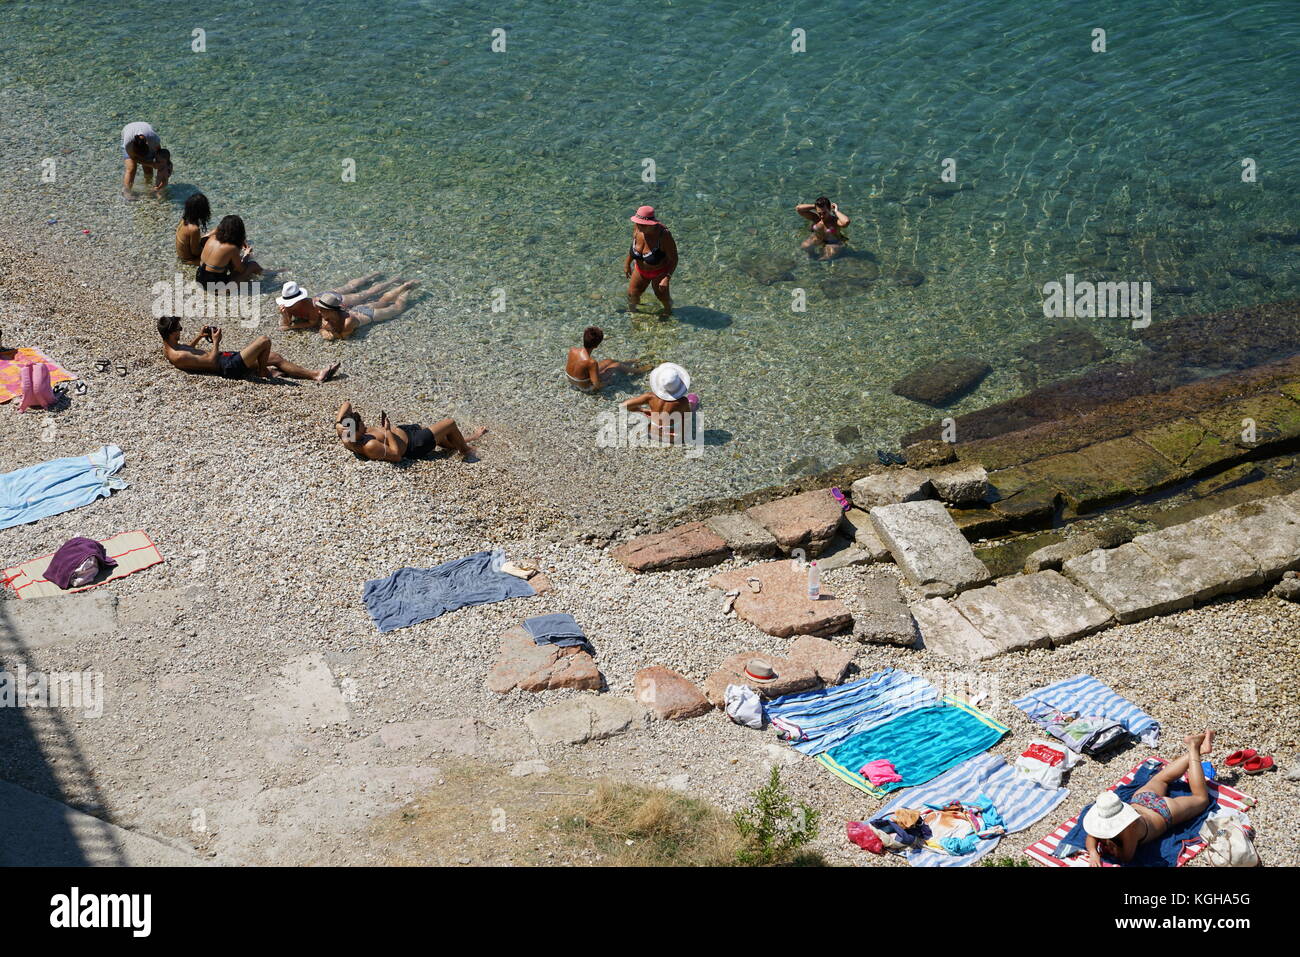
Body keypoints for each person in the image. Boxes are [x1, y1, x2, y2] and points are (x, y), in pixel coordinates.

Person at [1084, 730, 1216, 866]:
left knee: (1201, 799)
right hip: (1141, 799)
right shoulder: (1111, 822)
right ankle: (1201, 749)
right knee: (1161, 779)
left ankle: (1194, 748)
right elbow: (1090, 836)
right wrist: (1093, 852)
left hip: (1162, 811)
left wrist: (1113, 848)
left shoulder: (1128, 829)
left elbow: (1126, 857)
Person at [156, 316, 338, 383]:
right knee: (264, 341)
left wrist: (199, 337)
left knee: (275, 357)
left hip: (225, 359)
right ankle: (261, 371)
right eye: (179, 329)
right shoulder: (177, 356)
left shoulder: (170, 346)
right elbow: (210, 362)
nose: (181, 330)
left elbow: (189, 350)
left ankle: (315, 375)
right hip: (227, 367)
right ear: (171, 333)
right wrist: (217, 341)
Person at [334, 401, 485, 462]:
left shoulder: (347, 434)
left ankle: (464, 440)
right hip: (414, 444)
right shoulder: (370, 445)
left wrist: (339, 423)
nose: (364, 424)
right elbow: (396, 456)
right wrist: (387, 431)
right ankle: (465, 450)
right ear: (358, 432)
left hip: (407, 432)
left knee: (441, 435)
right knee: (449, 423)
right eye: (361, 425)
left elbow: (346, 404)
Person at [277, 276, 419, 340]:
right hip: (353, 309)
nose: (319, 311)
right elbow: (323, 326)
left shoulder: (342, 320)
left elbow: (343, 335)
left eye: (321, 310)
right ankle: (399, 284)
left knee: (397, 308)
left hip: (366, 314)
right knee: (378, 298)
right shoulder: (326, 315)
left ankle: (406, 289)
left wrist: (328, 333)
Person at [621, 362, 696, 443]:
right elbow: (687, 418)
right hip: (671, 437)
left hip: (651, 432)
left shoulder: (650, 397)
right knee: (690, 410)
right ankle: (693, 404)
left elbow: (624, 405)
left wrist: (641, 410)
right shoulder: (682, 401)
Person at [624, 205, 678, 317]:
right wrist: (627, 263)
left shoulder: (664, 236)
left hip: (659, 273)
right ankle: (633, 315)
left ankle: (668, 312)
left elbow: (674, 259)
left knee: (662, 298)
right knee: (632, 294)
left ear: (651, 224)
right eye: (637, 223)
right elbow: (632, 247)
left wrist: (667, 278)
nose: (639, 226)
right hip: (640, 270)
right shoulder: (638, 227)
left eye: (642, 225)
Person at [565, 326, 649, 392]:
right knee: (616, 365)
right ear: (596, 346)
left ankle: (627, 364)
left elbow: (580, 368)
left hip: (572, 380)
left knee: (609, 361)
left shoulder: (573, 350)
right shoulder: (591, 362)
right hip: (584, 386)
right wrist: (607, 382)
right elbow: (596, 385)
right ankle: (639, 371)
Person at [196, 215, 263, 289]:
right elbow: (241, 269)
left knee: (232, 261)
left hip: (200, 279)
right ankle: (269, 276)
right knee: (253, 265)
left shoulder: (212, 238)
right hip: (215, 287)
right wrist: (246, 254)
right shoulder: (232, 248)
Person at [121, 122, 173, 196]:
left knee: (148, 169)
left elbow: (159, 153)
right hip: (128, 130)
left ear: (148, 145)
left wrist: (163, 166)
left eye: (144, 155)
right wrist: (151, 164)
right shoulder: (128, 144)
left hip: (145, 128)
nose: (142, 157)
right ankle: (127, 191)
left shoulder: (153, 139)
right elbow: (134, 158)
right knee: (131, 168)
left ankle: (148, 186)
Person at [174, 193, 212, 264]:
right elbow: (195, 252)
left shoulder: (184, 220)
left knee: (213, 236)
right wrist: (209, 249)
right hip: (189, 260)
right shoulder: (194, 229)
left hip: (183, 255)